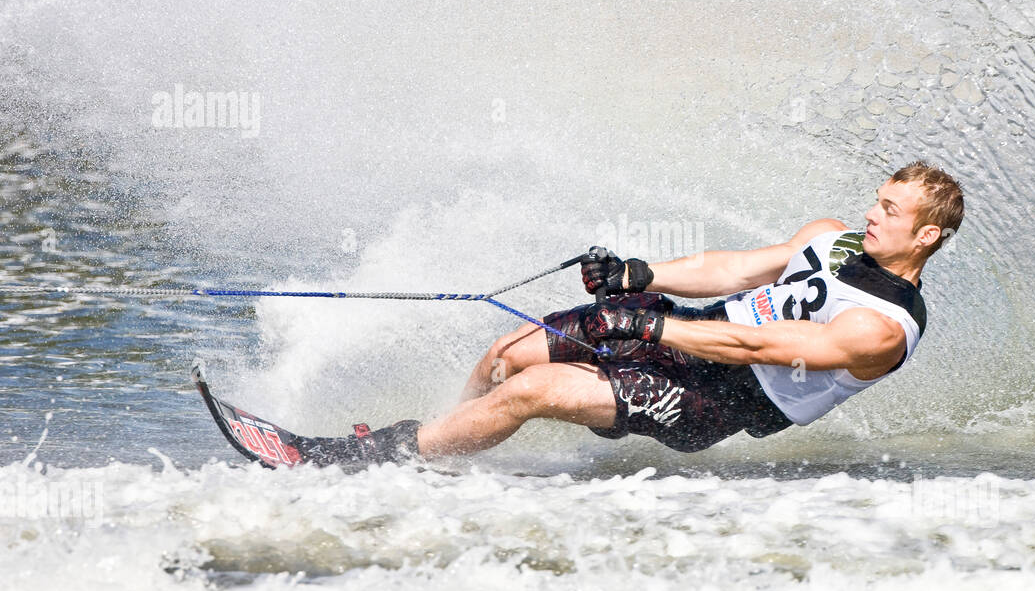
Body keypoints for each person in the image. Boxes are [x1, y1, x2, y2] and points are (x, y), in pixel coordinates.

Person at [294, 160, 964, 468]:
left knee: (530, 391)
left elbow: (760, 348)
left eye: (891, 211)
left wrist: (649, 326)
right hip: (686, 333)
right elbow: (732, 270)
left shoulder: (881, 329)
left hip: (717, 395)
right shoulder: (833, 234)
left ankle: (380, 454)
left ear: (927, 236)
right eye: (878, 200)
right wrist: (640, 276)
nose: (873, 214)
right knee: (507, 354)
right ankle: (441, 452)